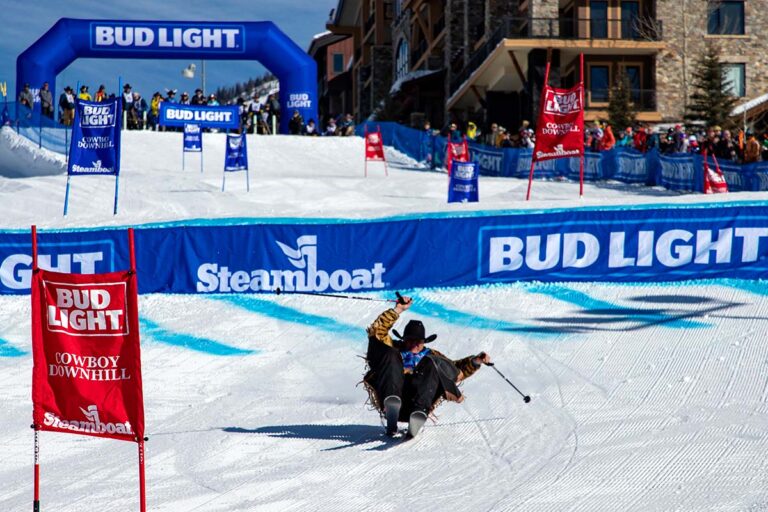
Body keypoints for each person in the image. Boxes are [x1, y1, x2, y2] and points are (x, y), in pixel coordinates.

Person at [363, 296, 490, 437]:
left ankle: (418, 414)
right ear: (404, 339)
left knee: (432, 363)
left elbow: (455, 370)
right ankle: (392, 405)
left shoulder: (431, 354)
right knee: (390, 353)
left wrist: (475, 362)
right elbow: (377, 331)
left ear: (424, 342)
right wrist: (398, 309)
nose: (414, 344)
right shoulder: (395, 347)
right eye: (410, 340)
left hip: (418, 397)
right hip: (393, 390)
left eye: (418, 341)